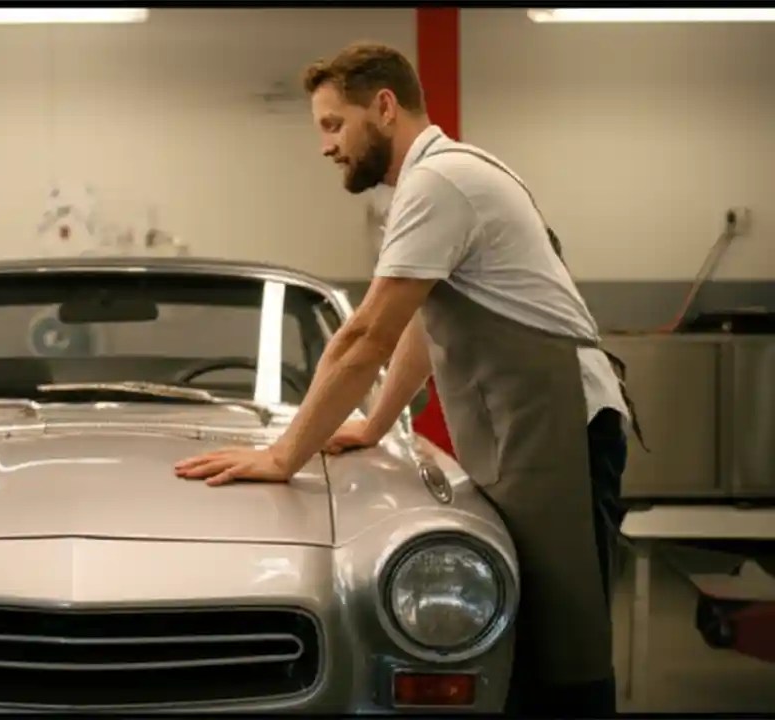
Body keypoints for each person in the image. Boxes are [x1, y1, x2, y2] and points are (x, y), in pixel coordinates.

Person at [173, 41, 641, 716]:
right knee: (529, 633)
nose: (326, 146)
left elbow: (366, 336)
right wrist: (374, 421)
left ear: (385, 107)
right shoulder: (435, 182)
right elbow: (423, 323)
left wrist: (283, 455)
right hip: (535, 423)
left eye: (334, 124)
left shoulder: (439, 183)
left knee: (567, 645)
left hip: (563, 418)